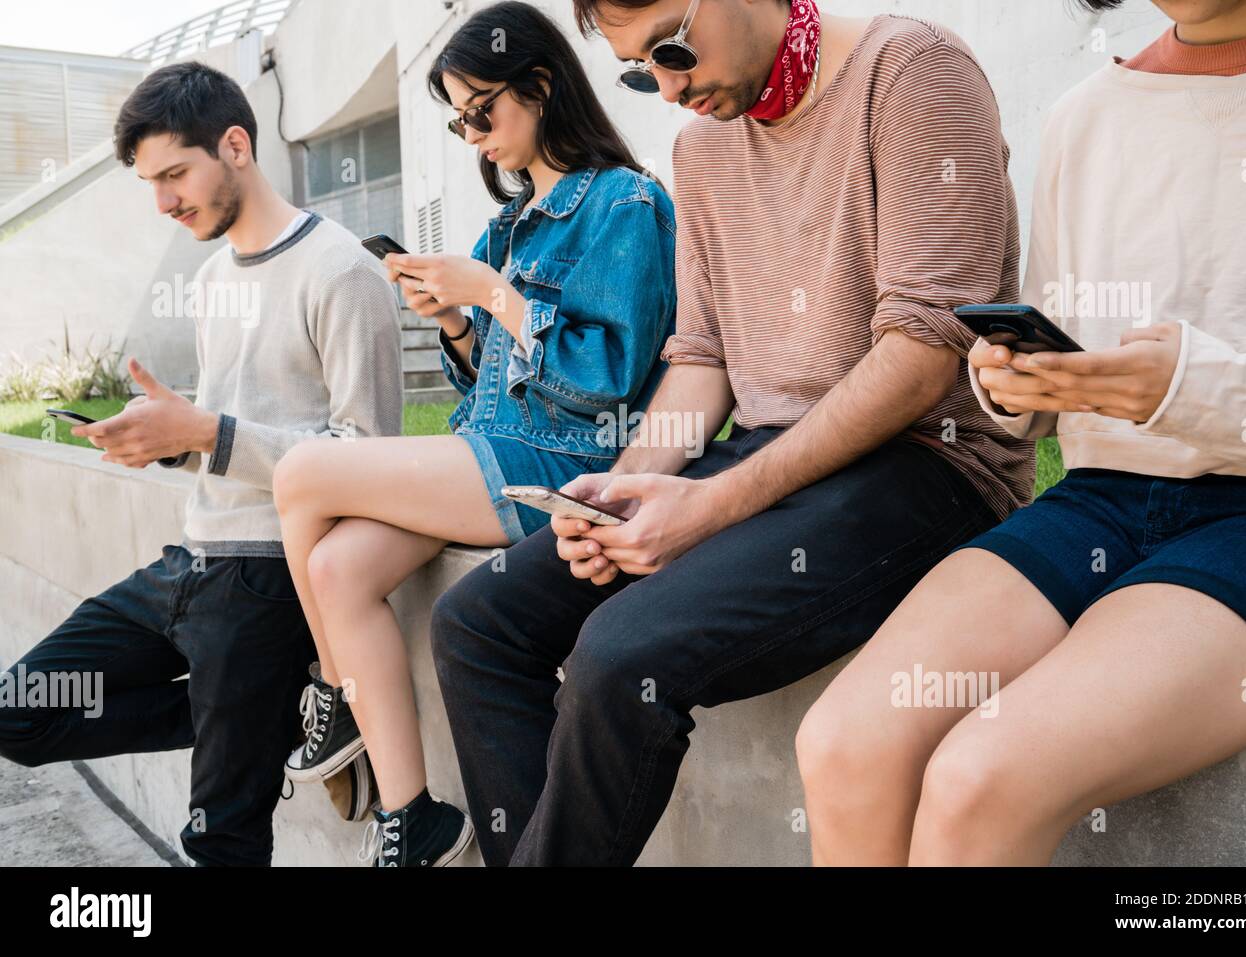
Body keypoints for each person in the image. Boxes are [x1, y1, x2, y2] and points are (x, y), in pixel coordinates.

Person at [429, 0, 1034, 865]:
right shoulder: (703, 145)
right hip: (771, 457)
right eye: (643, 69)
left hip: (930, 466)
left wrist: (711, 505)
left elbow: (922, 359)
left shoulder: (914, 71)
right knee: (477, 622)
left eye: (672, 50)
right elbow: (705, 356)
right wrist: (615, 491)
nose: (669, 90)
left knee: (617, 656)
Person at [797, 0, 1246, 865]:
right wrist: (1011, 378)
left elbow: (1182, 383)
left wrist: (1188, 386)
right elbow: (1049, 357)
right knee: (845, 743)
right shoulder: (1086, 114)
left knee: (982, 778)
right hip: (1100, 501)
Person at [269, 0, 677, 866]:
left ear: (539, 85)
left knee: (303, 473)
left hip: (568, 461)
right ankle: (413, 819)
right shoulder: (510, 221)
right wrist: (458, 317)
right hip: (493, 446)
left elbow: (604, 378)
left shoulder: (625, 202)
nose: (471, 134)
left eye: (480, 110)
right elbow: (483, 374)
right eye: (457, 119)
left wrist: (494, 292)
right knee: (338, 567)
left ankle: (330, 690)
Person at [0, 61, 404, 865]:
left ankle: (250, 705)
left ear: (236, 145)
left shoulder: (342, 271)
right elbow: (233, 431)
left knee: (220, 840)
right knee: (21, 710)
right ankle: (265, 711)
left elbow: (372, 461)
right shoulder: (215, 275)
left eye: (175, 174)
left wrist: (208, 431)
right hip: (184, 566)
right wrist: (168, 439)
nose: (164, 202)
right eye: (151, 183)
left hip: (264, 582)